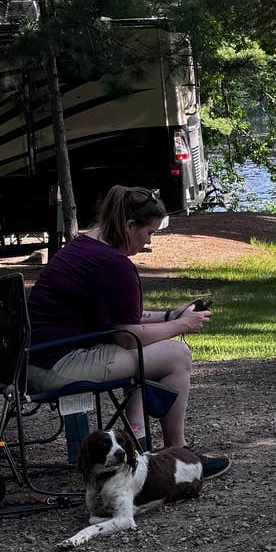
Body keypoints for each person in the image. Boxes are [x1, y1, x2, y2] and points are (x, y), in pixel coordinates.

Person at [27, 184, 226, 474]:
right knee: (178, 354)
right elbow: (129, 338)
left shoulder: (84, 245)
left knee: (155, 357)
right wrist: (183, 325)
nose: (148, 242)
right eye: (149, 233)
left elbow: (123, 318)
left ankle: (142, 441)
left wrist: (170, 314)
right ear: (130, 225)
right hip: (56, 367)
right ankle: (179, 458)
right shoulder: (115, 265)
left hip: (37, 359)